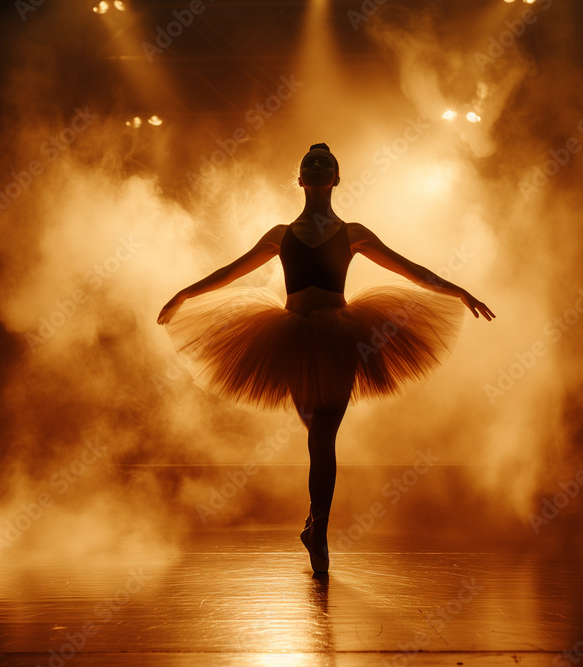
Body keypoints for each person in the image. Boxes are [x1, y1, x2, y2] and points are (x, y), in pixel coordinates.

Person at [158, 143, 494, 573]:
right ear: (300, 179)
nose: (316, 166)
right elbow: (232, 270)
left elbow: (411, 270)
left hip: (341, 337)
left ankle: (319, 530)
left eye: (325, 163)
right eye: (309, 162)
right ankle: (315, 525)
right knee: (316, 434)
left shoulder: (354, 232)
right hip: (290, 339)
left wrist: (458, 289)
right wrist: (185, 293)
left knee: (323, 438)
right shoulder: (279, 235)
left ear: (336, 178)